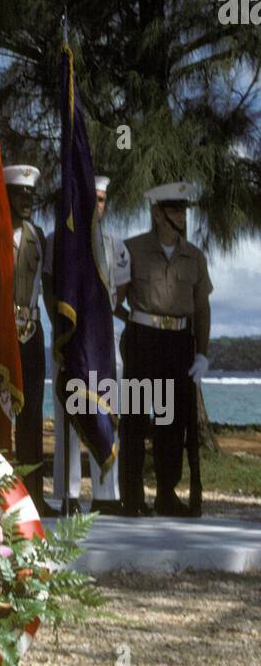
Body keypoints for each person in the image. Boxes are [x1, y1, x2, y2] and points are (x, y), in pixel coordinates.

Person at [116, 182, 212, 518]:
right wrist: (136, 321)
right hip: (143, 340)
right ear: (157, 214)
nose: (181, 216)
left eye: (183, 210)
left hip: (178, 345)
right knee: (135, 420)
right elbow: (115, 298)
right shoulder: (132, 249)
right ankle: (131, 496)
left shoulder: (194, 257)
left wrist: (202, 353)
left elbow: (202, 309)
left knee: (171, 423)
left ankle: (166, 495)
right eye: (173, 210)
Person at [43, 175, 128, 514]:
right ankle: (69, 494)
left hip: (103, 341)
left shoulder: (115, 247)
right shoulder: (56, 242)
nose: (98, 205)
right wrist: (63, 329)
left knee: (106, 413)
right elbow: (49, 289)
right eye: (93, 198)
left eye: (103, 200)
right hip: (68, 339)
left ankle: (107, 496)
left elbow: (118, 293)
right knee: (67, 416)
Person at [3, 164, 50, 512]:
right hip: (0, 333)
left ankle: (33, 497)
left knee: (33, 416)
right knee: (1, 414)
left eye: (31, 195)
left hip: (32, 330)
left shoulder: (39, 236)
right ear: (5, 196)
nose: (27, 201)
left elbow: (46, 288)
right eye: (20, 194)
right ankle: (0, 499)